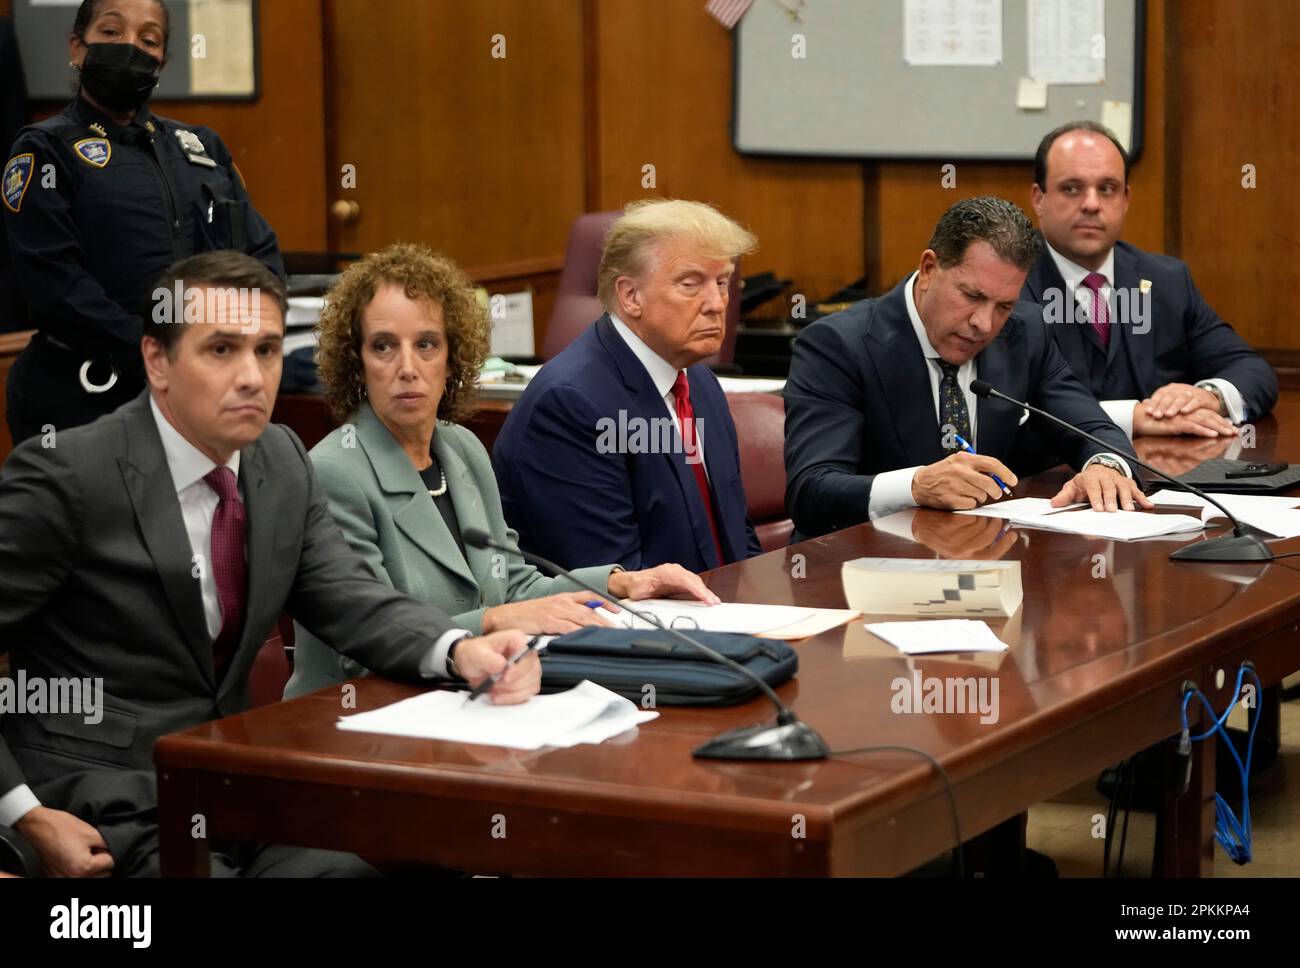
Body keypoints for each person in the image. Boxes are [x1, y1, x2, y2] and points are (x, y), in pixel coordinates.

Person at [0, 251, 536, 878]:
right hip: (102, 806)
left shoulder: (278, 458)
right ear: (157, 361)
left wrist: (455, 650)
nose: (253, 376)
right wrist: (21, 813)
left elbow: (347, 596)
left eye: (268, 350)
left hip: (233, 787)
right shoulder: (66, 477)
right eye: (222, 350)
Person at [286, 244, 717, 698]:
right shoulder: (335, 473)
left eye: (427, 344)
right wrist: (495, 620)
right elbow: (361, 646)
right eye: (384, 347)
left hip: (468, 695)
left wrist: (621, 583)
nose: (408, 368)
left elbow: (511, 581)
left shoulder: (462, 449)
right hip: (353, 718)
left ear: (453, 358)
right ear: (357, 363)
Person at [784, 196, 1150, 540]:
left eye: (1004, 306)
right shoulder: (838, 345)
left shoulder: (1026, 332)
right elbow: (812, 492)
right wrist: (916, 485)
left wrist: (1105, 467)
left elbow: (1091, 428)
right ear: (929, 269)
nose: (985, 324)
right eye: (972, 296)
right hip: (858, 574)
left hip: (984, 565)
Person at [2, 0, 282, 443]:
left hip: (202, 394)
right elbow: (55, 284)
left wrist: (240, 343)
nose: (130, 46)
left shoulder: (202, 149)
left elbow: (260, 258)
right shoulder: (44, 149)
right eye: (111, 33)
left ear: (161, 62)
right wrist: (160, 352)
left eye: (148, 40)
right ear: (77, 48)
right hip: (88, 398)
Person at [493, 199, 762, 572]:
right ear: (631, 296)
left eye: (722, 282)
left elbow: (737, 539)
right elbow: (613, 580)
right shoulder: (569, 406)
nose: (717, 303)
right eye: (691, 284)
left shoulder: (701, 383)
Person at [1022, 121, 1277, 440]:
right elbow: (1013, 409)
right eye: (1072, 188)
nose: (1091, 204)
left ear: (1126, 199)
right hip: (1049, 480)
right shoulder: (1009, 284)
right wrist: (1132, 417)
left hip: (1165, 476)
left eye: (1107, 188)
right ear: (1038, 198)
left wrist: (1208, 396)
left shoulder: (1166, 280)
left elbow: (1251, 371)